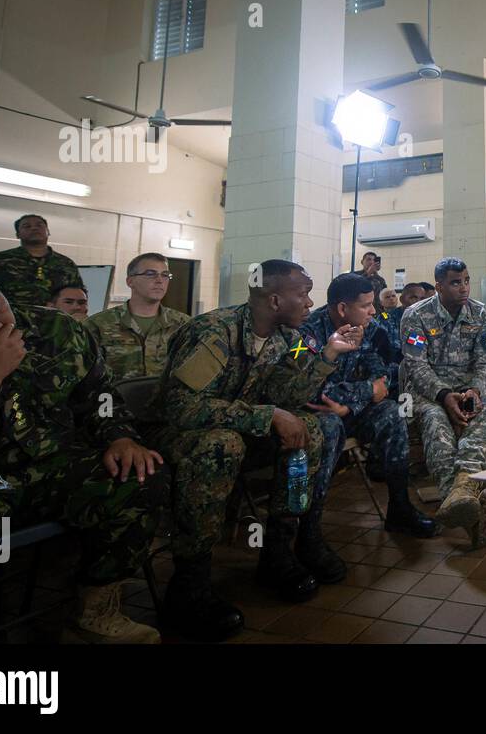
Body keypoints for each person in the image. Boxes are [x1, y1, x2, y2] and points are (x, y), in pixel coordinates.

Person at [0, 257, 163, 643]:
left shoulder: (54, 330)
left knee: (139, 476)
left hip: (46, 471)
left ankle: (94, 612)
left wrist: (119, 436)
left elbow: (98, 395)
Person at [154, 260, 355, 641]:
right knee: (221, 444)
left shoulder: (285, 338)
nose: (310, 303)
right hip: (184, 437)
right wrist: (269, 416)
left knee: (308, 429)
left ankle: (278, 551)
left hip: (237, 430)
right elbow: (182, 408)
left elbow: (289, 395)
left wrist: (327, 357)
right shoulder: (215, 333)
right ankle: (189, 586)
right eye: (303, 294)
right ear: (275, 299)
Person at [299, 273, 436, 541]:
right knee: (328, 425)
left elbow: (383, 374)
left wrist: (352, 403)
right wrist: (364, 393)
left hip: (350, 410)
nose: (373, 311)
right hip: (320, 415)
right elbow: (313, 393)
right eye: (365, 305)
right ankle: (309, 531)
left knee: (392, 413)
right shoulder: (309, 332)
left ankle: (400, 509)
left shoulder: (369, 327)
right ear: (342, 308)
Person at [399, 258, 486, 549]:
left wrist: (475, 392)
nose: (464, 287)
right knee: (435, 421)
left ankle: (462, 492)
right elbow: (416, 366)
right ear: (439, 286)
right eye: (456, 282)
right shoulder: (415, 315)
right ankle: (469, 507)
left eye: (467, 280)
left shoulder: (481, 315)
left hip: (471, 389)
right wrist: (444, 396)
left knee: (484, 410)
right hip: (427, 392)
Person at [84, 252, 192, 381]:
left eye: (165, 275)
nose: (159, 280)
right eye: (150, 274)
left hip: (166, 400)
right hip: (115, 400)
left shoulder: (184, 325)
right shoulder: (97, 325)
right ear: (130, 281)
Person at [0, 214, 82, 308]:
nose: (34, 228)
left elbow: (79, 296)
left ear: (48, 231)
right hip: (11, 322)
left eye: (39, 225)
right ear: (17, 234)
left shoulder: (65, 264)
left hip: (55, 322)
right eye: (27, 226)